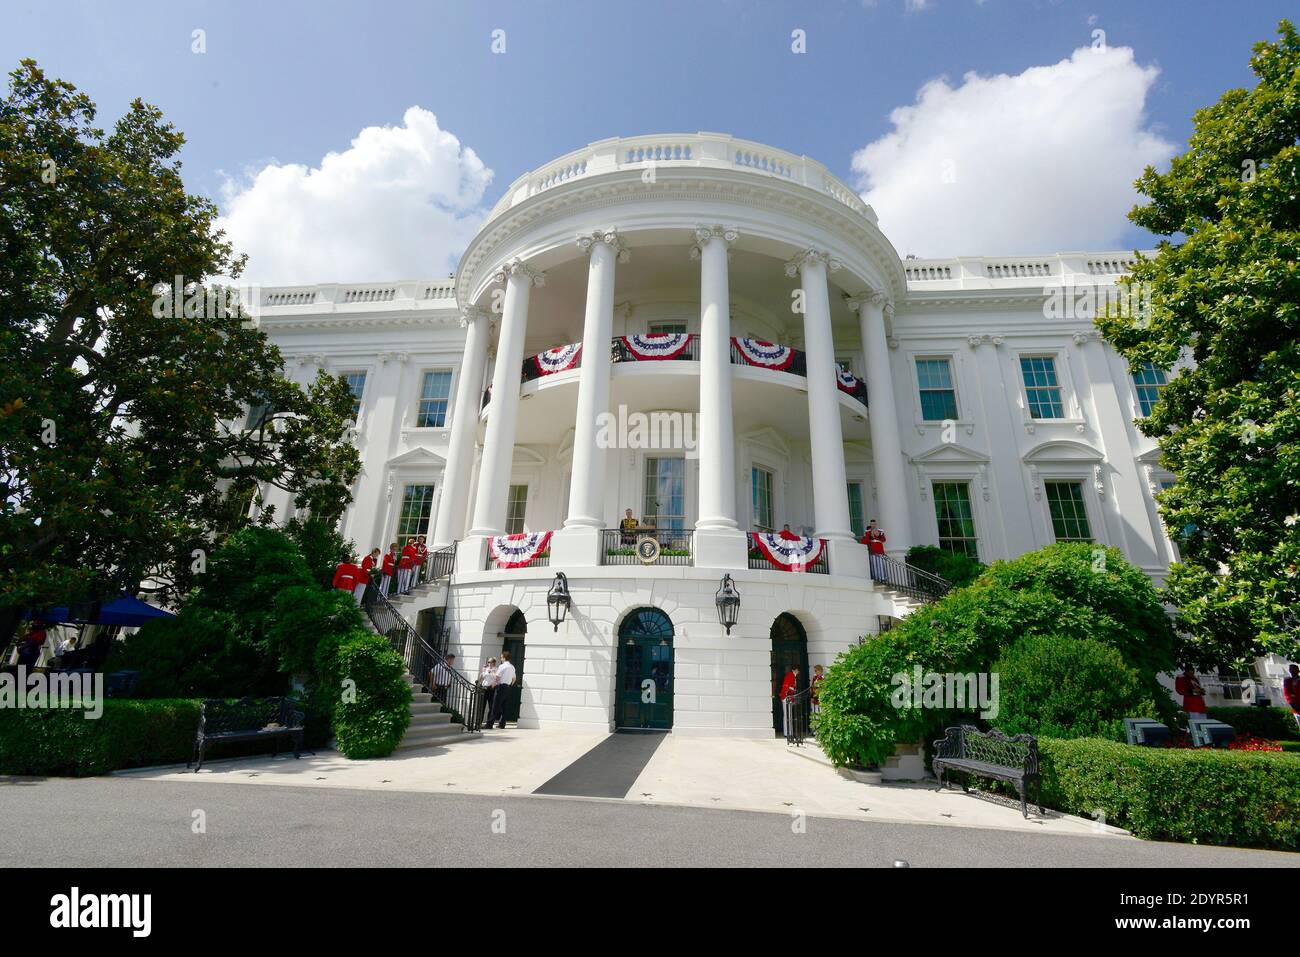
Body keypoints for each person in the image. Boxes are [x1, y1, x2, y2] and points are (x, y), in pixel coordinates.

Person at [489, 651, 517, 729]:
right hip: (508, 687)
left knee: (495, 706)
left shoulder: (502, 666)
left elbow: (497, 677)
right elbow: (514, 679)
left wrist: (493, 674)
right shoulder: (512, 667)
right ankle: (502, 724)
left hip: (501, 687)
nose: (501, 659)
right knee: (504, 707)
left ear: (504, 658)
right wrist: (509, 685)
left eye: (501, 657)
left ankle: (489, 724)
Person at [477, 657, 499, 729]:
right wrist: (482, 672)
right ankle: (478, 723)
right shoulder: (485, 669)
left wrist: (491, 672)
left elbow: (497, 678)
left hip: (491, 689)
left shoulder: (496, 669)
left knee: (491, 706)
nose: (489, 663)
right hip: (484, 688)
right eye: (488, 662)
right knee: (481, 706)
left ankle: (489, 723)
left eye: (490, 662)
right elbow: (481, 678)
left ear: (494, 663)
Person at [778, 665, 800, 737]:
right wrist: (793, 689)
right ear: (796, 670)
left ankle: (789, 732)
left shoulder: (792, 675)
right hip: (787, 697)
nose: (798, 672)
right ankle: (787, 733)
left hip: (789, 697)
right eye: (798, 670)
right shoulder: (790, 675)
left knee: (789, 715)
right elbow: (785, 685)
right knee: (787, 715)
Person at [1283, 663, 1300, 734]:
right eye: (1291, 669)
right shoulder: (1287, 681)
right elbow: (1287, 693)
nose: (1292, 671)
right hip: (1295, 705)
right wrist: (1292, 703)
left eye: (1294, 669)